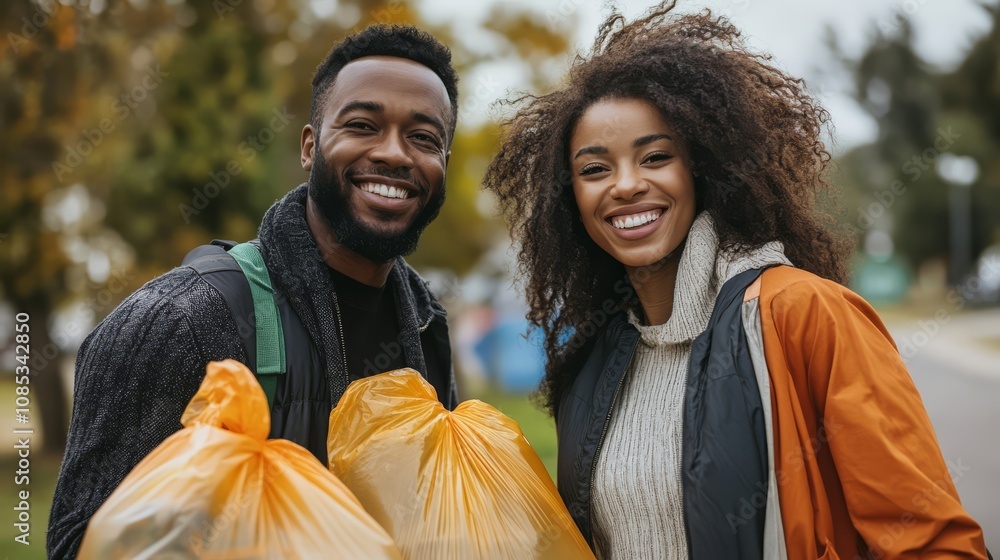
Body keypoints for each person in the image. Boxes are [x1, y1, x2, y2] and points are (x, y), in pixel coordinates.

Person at [483, 3, 989, 559]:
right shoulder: (591, 362)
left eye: (655, 157)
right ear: (571, 199)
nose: (625, 185)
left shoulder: (804, 316)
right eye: (594, 168)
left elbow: (931, 543)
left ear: (700, 168)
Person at [48, 24, 459, 558]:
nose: (395, 154)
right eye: (363, 125)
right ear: (310, 146)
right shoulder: (181, 321)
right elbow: (85, 543)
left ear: (443, 165)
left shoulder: (427, 329)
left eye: (424, 138)